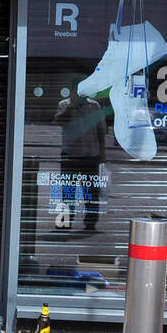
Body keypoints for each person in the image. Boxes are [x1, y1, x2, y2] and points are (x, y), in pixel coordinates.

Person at [54, 95, 107, 231]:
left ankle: (90, 222)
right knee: (68, 192)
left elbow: (101, 130)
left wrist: (102, 153)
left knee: (90, 192)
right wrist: (72, 107)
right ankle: (66, 222)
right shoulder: (64, 104)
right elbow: (60, 121)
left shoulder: (94, 106)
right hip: (70, 155)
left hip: (90, 155)